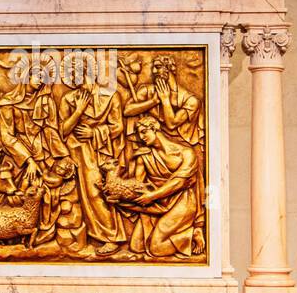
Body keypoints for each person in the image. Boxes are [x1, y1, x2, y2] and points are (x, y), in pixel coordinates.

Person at [59, 79, 126, 254]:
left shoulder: (111, 96)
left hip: (104, 150)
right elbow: (62, 131)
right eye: (71, 71)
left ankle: (112, 236)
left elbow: (118, 126)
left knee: (100, 193)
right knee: (88, 194)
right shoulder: (68, 98)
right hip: (79, 153)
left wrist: (94, 132)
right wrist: (79, 111)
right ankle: (91, 236)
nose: (75, 75)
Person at [128, 115, 204, 259]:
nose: (141, 137)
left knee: (156, 248)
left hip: (182, 201)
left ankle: (191, 234)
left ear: (155, 128)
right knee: (136, 246)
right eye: (139, 133)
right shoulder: (145, 155)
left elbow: (179, 182)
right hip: (157, 202)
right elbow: (138, 185)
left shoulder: (185, 153)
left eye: (144, 132)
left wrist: (152, 196)